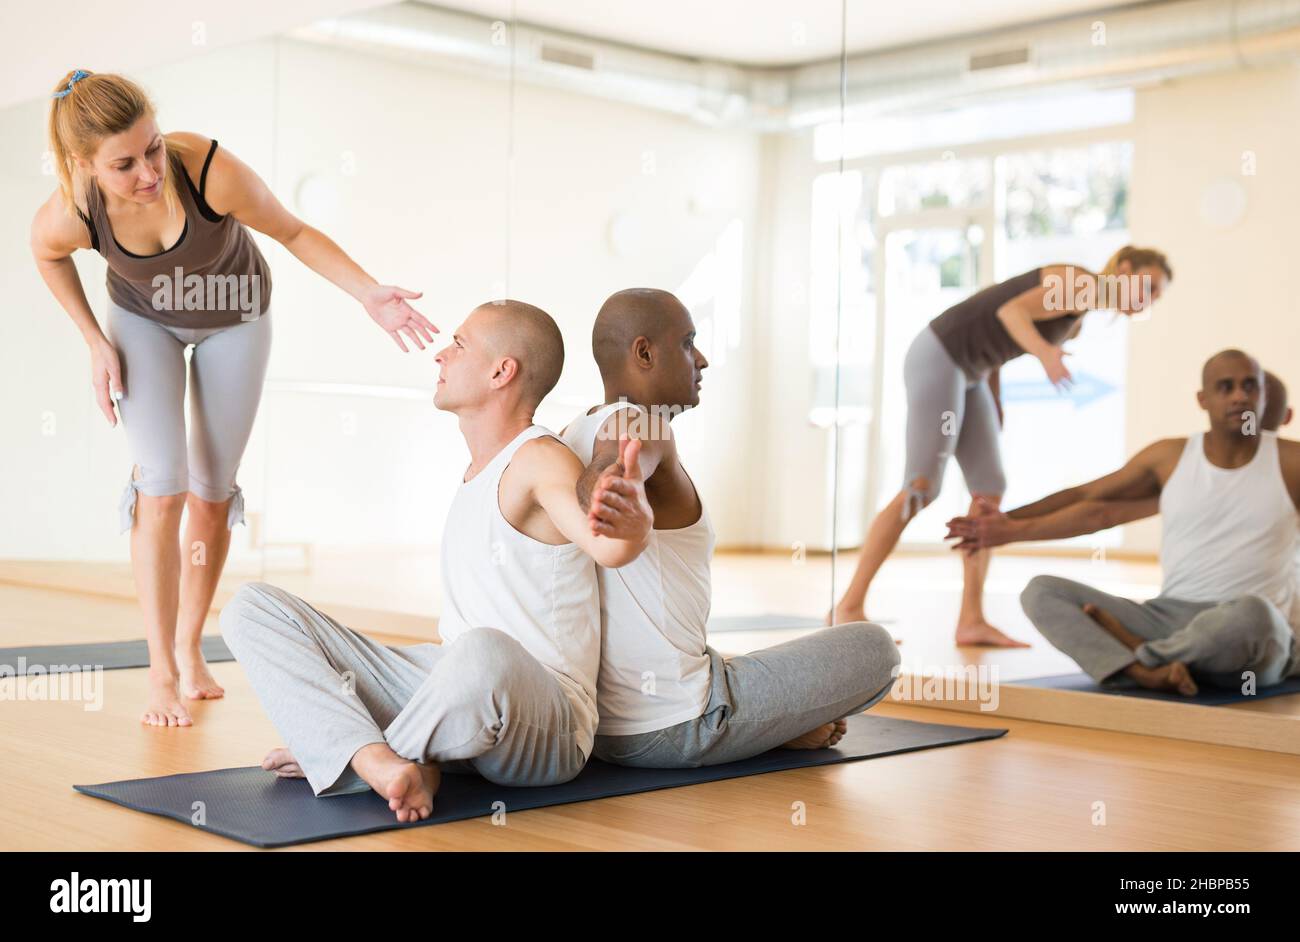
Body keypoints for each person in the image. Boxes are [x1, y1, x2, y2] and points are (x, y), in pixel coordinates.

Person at [30, 70, 437, 727]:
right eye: (125, 164)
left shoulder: (206, 169)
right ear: (84, 165)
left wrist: (368, 293)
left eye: (153, 148)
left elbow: (295, 232)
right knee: (160, 485)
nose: (149, 172)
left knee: (212, 492)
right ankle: (161, 668)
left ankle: (192, 646)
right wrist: (94, 343)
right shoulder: (74, 210)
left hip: (236, 318)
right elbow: (45, 255)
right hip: (144, 323)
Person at [221, 300, 654, 822]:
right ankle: (380, 758)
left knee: (481, 651)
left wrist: (630, 528)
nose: (440, 356)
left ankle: (354, 755)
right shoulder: (476, 470)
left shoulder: (539, 457)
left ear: (502, 371)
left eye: (459, 344)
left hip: (547, 719)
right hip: (459, 690)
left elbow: (604, 543)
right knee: (251, 607)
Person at [560, 288, 900, 768]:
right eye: (687, 342)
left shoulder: (570, 431)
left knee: (719, 657)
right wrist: (610, 482)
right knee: (875, 648)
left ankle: (771, 725)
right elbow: (620, 450)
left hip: (602, 729)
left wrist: (606, 484)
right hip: (674, 726)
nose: (701, 359)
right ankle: (758, 725)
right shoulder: (642, 423)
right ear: (644, 353)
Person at [832, 247, 1173, 647]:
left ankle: (971, 620)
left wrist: (995, 399)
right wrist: (1046, 352)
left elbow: (998, 339)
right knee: (921, 487)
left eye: (1155, 295)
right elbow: (1009, 313)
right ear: (1126, 269)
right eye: (1147, 287)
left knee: (989, 489)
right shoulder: (1077, 283)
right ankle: (848, 608)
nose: (1148, 299)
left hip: (973, 373)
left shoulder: (1079, 317)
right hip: (940, 356)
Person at [947, 351, 1299, 695]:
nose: (1239, 396)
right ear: (1203, 399)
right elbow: (1090, 499)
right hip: (1167, 617)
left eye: (1250, 386)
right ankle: (1149, 672)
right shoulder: (1170, 457)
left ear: (1264, 395)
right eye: (1226, 387)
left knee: (1256, 616)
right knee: (1041, 591)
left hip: (1245, 643)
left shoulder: (1290, 462)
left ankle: (1142, 655)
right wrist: (1007, 523)